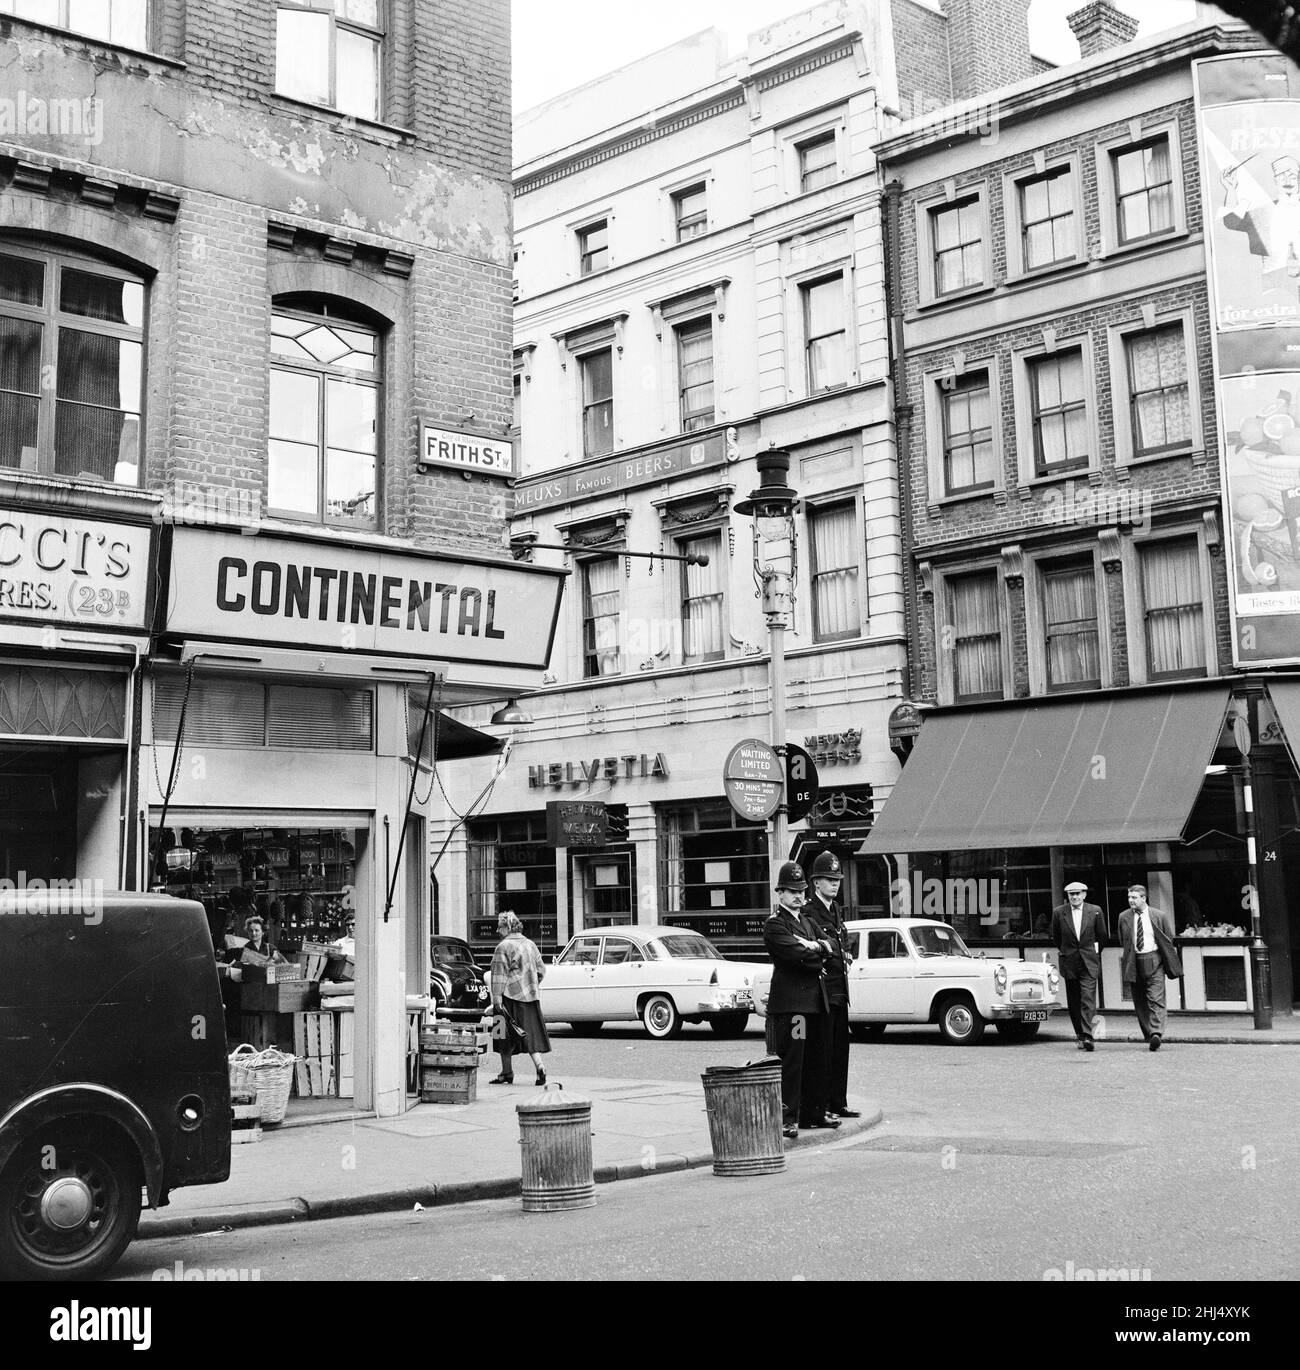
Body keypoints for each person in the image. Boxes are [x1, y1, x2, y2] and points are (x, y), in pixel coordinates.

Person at [763, 861, 840, 1140]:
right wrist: (814, 952)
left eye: (801, 890)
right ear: (779, 893)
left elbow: (830, 948)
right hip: (793, 1005)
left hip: (815, 1003)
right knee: (793, 1061)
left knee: (816, 1059)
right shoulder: (775, 925)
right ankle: (788, 1118)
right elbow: (794, 956)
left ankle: (813, 1113)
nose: (797, 895)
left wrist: (815, 947)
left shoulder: (807, 922)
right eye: (791, 891)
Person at [802, 850, 859, 1118]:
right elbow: (822, 945)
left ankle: (839, 1101)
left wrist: (841, 948)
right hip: (822, 990)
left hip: (839, 988)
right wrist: (835, 947)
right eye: (829, 879)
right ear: (816, 883)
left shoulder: (836, 909)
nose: (835, 883)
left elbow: (841, 942)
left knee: (840, 1050)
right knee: (822, 1051)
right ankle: (822, 1104)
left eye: (837, 879)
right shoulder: (808, 911)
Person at [489, 911, 551, 1086]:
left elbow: (499, 974)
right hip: (530, 997)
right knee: (529, 1035)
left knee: (501, 1034)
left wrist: (496, 999)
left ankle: (506, 1072)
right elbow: (542, 970)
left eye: (499, 926)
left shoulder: (503, 946)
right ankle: (540, 1066)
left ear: (507, 927)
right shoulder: (530, 944)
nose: (497, 930)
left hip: (507, 996)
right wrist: (530, 983)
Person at [1119, 885, 1182, 1052]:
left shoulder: (1159, 915)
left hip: (1154, 960)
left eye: (1134, 897)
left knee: (1156, 998)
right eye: (1129, 897)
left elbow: (1168, 938)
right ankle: (1149, 1034)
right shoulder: (1123, 917)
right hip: (1134, 961)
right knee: (1140, 1000)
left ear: (1143, 898)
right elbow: (1123, 940)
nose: (1130, 900)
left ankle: (1156, 1033)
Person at [1047, 880, 1105, 1052]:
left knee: (1088, 998)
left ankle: (1088, 1036)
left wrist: (1092, 953)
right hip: (1070, 962)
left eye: (1078, 893)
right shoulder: (1059, 913)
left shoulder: (1095, 911)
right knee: (1074, 1002)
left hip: (1088, 962)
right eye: (1071, 894)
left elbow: (1102, 936)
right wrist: (1067, 952)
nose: (1075, 897)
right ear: (1067, 896)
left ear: (1084, 895)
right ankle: (1079, 1034)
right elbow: (1057, 937)